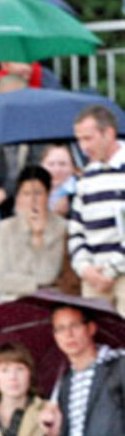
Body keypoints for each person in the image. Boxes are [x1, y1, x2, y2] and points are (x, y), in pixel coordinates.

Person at [39, 304, 125, 436]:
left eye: (75, 326)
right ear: (55, 336)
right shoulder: (64, 383)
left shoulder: (118, 366)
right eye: (60, 329)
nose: (68, 334)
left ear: (91, 328)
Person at [67, 105, 125, 315]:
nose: (83, 147)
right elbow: (76, 229)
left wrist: (111, 270)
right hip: (93, 278)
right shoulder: (86, 177)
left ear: (108, 133)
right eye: (79, 139)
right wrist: (84, 268)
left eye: (88, 138)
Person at [0, 165, 78, 301]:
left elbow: (48, 275)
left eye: (38, 193)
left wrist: (39, 237)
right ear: (18, 197)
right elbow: (0, 280)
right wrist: (37, 285)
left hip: (50, 301)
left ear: (48, 194)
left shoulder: (62, 227)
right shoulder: (6, 228)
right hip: (12, 301)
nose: (32, 200)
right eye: (26, 194)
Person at [39, 142, 80, 218]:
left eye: (62, 164)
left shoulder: (81, 192)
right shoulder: (34, 191)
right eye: (51, 164)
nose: (57, 170)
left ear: (73, 168)